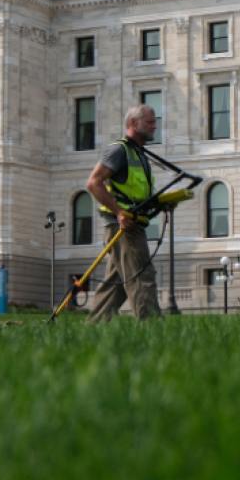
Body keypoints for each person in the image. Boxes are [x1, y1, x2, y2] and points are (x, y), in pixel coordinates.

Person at [84, 104, 163, 323]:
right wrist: (119, 213)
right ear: (133, 123)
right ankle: (154, 328)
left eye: (154, 122)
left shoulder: (139, 154)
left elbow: (137, 194)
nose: (154, 126)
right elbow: (93, 183)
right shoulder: (119, 150)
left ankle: (94, 327)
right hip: (123, 226)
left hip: (132, 223)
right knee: (141, 274)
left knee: (116, 284)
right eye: (149, 122)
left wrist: (165, 203)